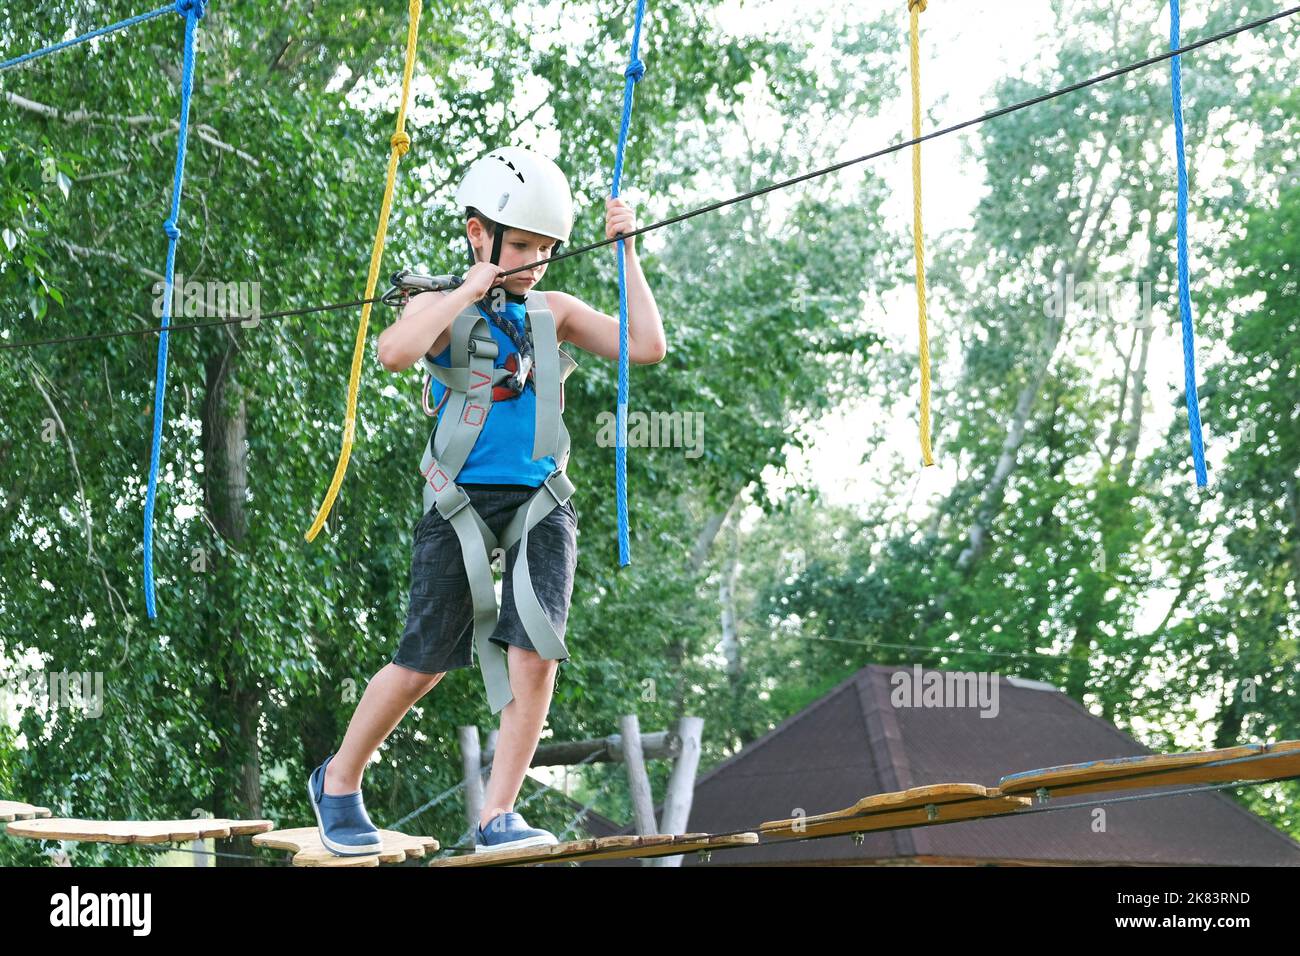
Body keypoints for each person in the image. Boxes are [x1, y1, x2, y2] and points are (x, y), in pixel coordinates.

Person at [307, 145, 666, 856]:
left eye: (545, 249)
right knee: (426, 659)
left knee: (537, 654)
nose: (533, 261)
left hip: (541, 498)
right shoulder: (440, 304)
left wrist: (627, 252)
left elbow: (645, 346)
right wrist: (467, 291)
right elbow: (393, 352)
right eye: (521, 245)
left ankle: (498, 812)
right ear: (479, 233)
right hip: (459, 500)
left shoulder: (554, 310)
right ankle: (340, 780)